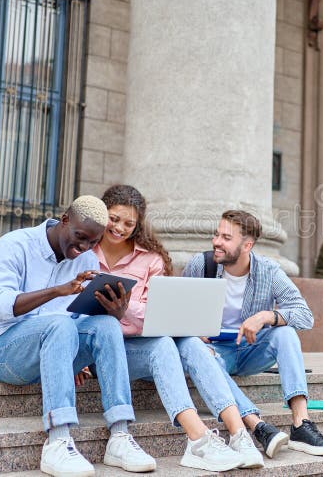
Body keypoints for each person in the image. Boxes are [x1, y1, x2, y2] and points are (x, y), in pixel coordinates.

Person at [0, 195, 156, 477]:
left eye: (93, 242)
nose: (84, 248)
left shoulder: (87, 259)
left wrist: (114, 313)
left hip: (55, 347)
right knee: (59, 325)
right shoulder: (15, 245)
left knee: (105, 325)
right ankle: (58, 440)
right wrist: (56, 291)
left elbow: (81, 323)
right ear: (64, 219)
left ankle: (119, 435)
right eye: (80, 237)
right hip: (0, 352)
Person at [88, 185, 261, 471]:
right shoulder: (84, 251)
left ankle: (239, 434)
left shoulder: (150, 259)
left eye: (129, 223)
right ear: (103, 214)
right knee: (165, 343)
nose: (119, 228)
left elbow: (157, 314)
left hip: (138, 348)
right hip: (99, 350)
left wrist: (129, 309)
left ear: (138, 225)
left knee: (191, 342)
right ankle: (198, 439)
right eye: (114, 219)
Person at [183, 210, 323, 457]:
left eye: (226, 237)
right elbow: (180, 311)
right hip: (212, 353)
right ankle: (258, 426)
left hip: (250, 350)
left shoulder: (269, 270)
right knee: (199, 350)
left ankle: (301, 424)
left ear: (247, 245)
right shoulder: (201, 265)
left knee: (285, 333)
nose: (216, 242)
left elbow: (305, 315)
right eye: (216, 234)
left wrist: (268, 316)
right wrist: (192, 329)